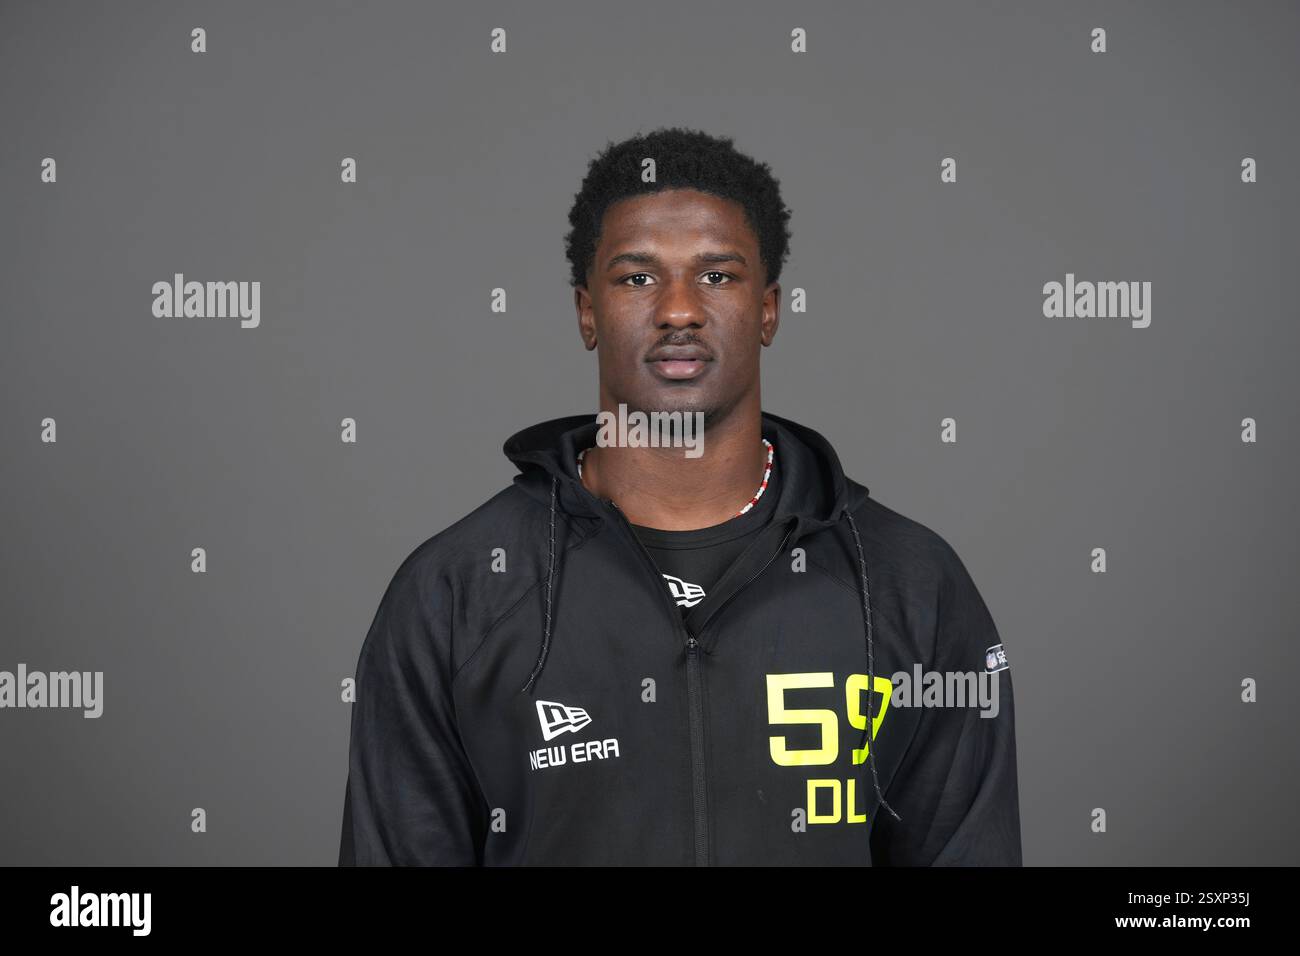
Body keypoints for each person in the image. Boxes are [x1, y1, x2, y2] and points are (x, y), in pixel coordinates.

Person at [338, 127, 1022, 866]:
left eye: (718, 276)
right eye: (637, 278)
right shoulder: (457, 592)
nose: (678, 310)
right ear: (586, 312)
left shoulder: (908, 585)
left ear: (768, 310)